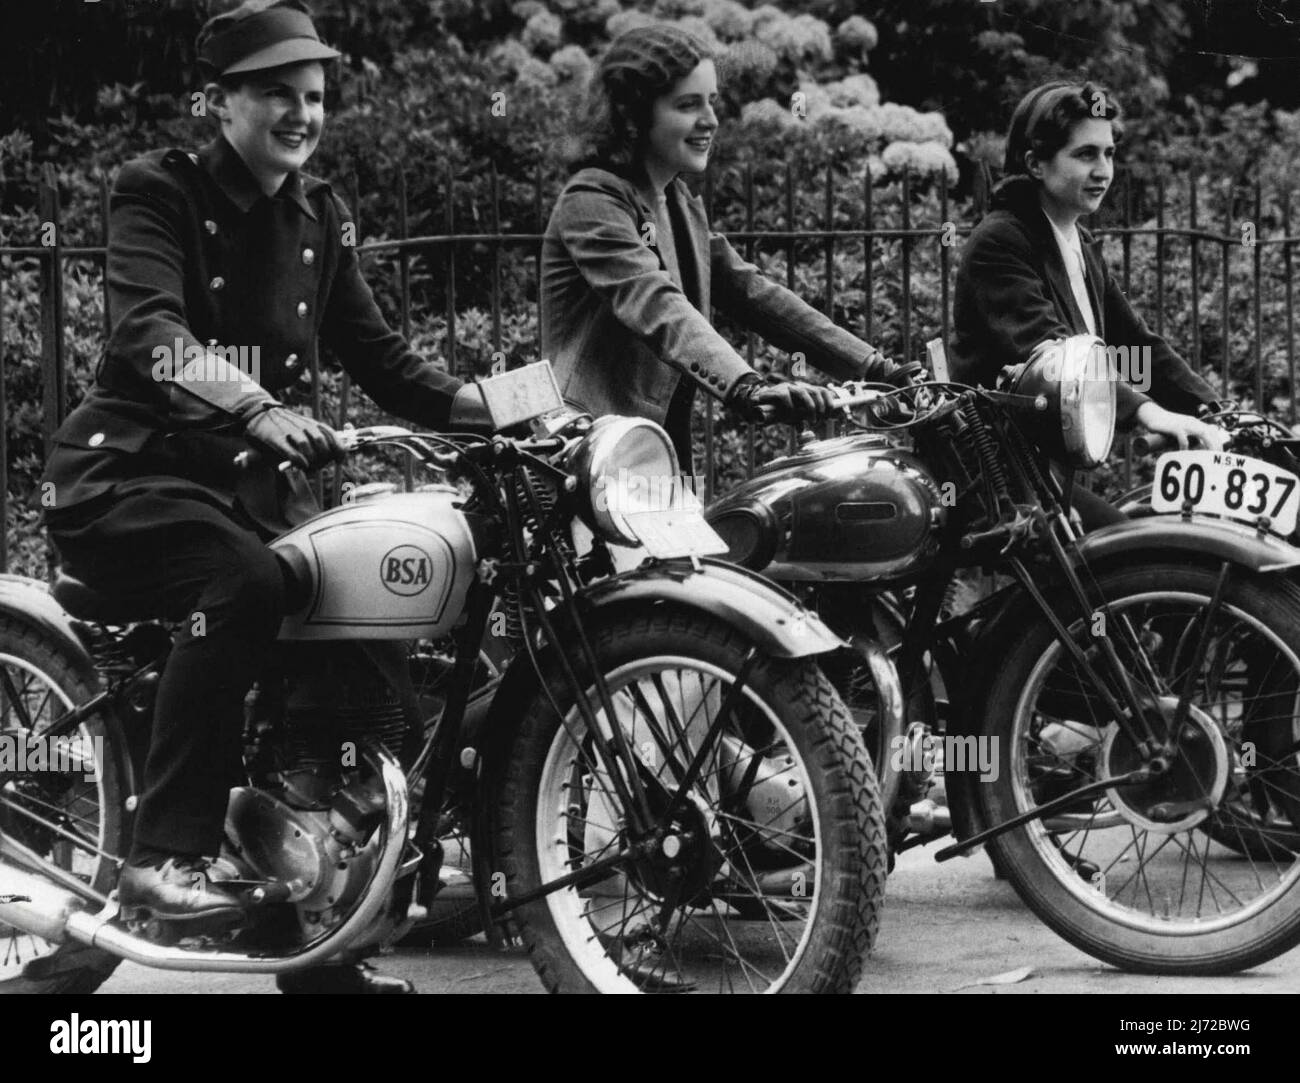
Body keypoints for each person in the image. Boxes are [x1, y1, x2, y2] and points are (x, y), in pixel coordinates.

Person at [39, 0, 487, 994]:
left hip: (240, 498)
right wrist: (252, 406)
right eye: (277, 92)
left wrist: (524, 405)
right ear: (216, 101)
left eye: (315, 95)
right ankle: (163, 857)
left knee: (368, 637)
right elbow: (147, 331)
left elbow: (388, 363)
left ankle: (320, 939)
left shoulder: (315, 215)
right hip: (131, 479)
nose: (302, 112)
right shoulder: (155, 192)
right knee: (244, 585)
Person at [541, 24, 905, 474]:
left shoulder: (677, 203)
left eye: (711, 101)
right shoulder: (593, 201)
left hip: (653, 454)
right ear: (634, 116)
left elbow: (754, 294)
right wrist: (745, 386)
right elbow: (656, 303)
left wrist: (876, 367)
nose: (711, 119)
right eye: (688, 104)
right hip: (588, 456)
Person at [950, 80, 1228, 529]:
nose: (1103, 170)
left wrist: (1214, 411)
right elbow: (1057, 359)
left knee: (1155, 554)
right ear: (1035, 164)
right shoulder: (1000, 241)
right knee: (1137, 565)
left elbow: (1135, 347)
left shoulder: (1078, 242)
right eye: (1085, 155)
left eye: (1109, 153)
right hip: (994, 477)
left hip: (1041, 472)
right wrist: (1148, 413)